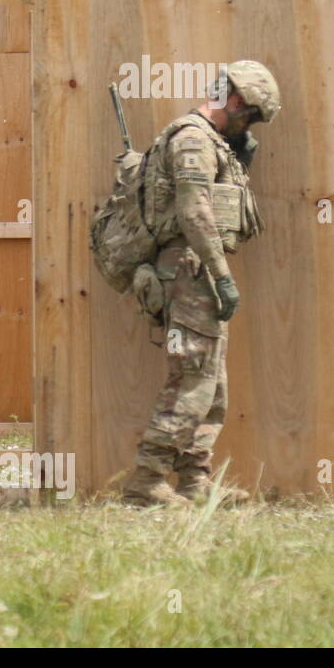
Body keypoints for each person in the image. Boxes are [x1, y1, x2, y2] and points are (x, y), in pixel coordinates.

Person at [121, 60, 280, 507]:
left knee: (213, 387)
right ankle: (146, 481)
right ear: (234, 101)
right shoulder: (192, 140)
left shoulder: (211, 141)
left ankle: (195, 481)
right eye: (249, 116)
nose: (249, 126)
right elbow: (194, 213)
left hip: (198, 272)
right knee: (192, 379)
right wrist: (224, 278)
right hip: (189, 273)